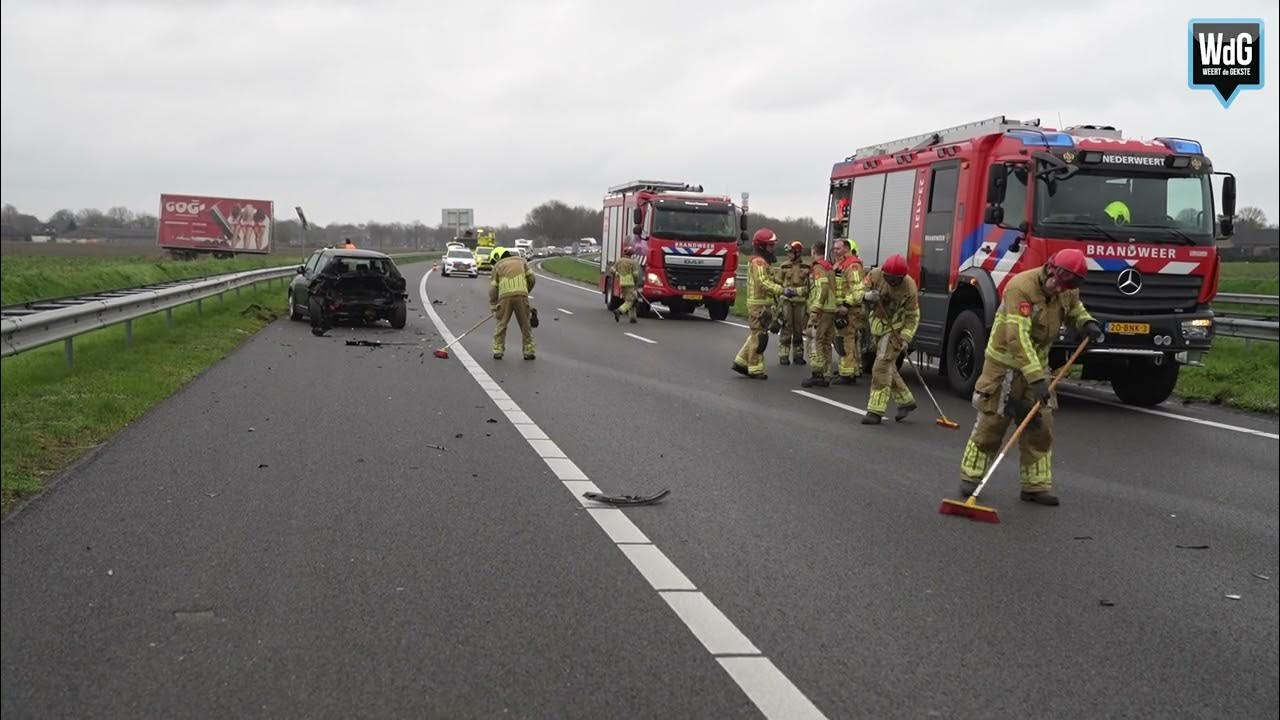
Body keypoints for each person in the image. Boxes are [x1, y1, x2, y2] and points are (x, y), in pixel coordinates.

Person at [958, 248, 1102, 506]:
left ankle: (1035, 487)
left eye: (1067, 286)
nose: (1059, 289)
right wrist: (1037, 378)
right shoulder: (1020, 288)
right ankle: (971, 478)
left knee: (1040, 427)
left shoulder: (1067, 290)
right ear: (1050, 269)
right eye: (1057, 282)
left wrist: (1086, 323)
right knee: (993, 423)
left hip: (1037, 369)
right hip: (1004, 367)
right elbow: (1018, 338)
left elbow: (1075, 310)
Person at [861, 254, 919, 425]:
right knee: (888, 368)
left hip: (895, 331)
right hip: (878, 327)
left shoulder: (909, 288)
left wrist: (906, 337)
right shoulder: (875, 274)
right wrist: (866, 295)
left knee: (880, 367)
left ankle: (875, 411)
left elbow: (913, 316)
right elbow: (858, 289)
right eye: (889, 278)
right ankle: (906, 402)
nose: (892, 282)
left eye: (896, 279)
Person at [732, 228, 792, 379]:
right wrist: (782, 290)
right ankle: (755, 369)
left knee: (756, 336)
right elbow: (763, 282)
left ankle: (741, 361)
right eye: (770, 245)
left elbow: (771, 278)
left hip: (764, 305)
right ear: (761, 246)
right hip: (757, 306)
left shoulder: (764, 262)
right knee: (759, 338)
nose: (772, 248)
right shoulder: (758, 262)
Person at [489, 247, 537, 360]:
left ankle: (498, 350)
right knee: (525, 324)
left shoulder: (498, 266)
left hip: (505, 297)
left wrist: (493, 304)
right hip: (521, 295)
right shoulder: (522, 261)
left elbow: (493, 289)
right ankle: (529, 351)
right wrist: (525, 291)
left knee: (502, 324)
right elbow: (532, 279)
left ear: (497, 256)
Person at [831, 238, 866, 385]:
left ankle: (847, 374)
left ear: (846, 248)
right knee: (848, 339)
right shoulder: (841, 264)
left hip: (849, 310)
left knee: (846, 340)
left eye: (838, 249)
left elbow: (857, 290)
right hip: (841, 308)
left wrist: (846, 304)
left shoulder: (853, 266)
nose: (835, 251)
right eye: (834, 249)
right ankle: (852, 369)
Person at [801, 241, 835, 388]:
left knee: (814, 340)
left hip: (821, 310)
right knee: (826, 342)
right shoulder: (829, 267)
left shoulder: (818, 267)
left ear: (813, 251)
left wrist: (815, 308)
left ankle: (817, 374)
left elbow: (822, 287)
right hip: (831, 309)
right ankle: (827, 373)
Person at [774, 241, 810, 365]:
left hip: (800, 303)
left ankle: (798, 355)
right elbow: (778, 282)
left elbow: (809, 286)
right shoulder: (784, 266)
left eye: (790, 252)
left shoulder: (806, 267)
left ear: (797, 253)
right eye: (788, 252)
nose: (788, 255)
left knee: (799, 329)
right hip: (786, 302)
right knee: (786, 326)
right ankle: (783, 355)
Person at [610, 244, 643, 323]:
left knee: (632, 299)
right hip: (630, 283)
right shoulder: (633, 262)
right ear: (631, 254)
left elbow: (612, 270)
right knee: (630, 300)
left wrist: (618, 274)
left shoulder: (619, 261)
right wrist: (637, 282)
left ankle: (633, 318)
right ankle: (619, 311)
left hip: (622, 283)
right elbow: (635, 274)